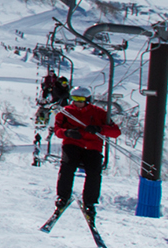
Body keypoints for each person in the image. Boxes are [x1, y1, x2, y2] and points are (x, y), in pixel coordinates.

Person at [50, 85, 121, 221]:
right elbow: (58, 130)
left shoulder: (99, 113)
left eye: (81, 100)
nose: (77, 103)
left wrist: (100, 129)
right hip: (73, 144)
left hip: (92, 146)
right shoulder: (66, 112)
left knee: (94, 172)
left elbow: (115, 132)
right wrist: (67, 133)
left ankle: (89, 202)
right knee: (67, 166)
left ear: (87, 100)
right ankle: (63, 196)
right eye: (75, 99)